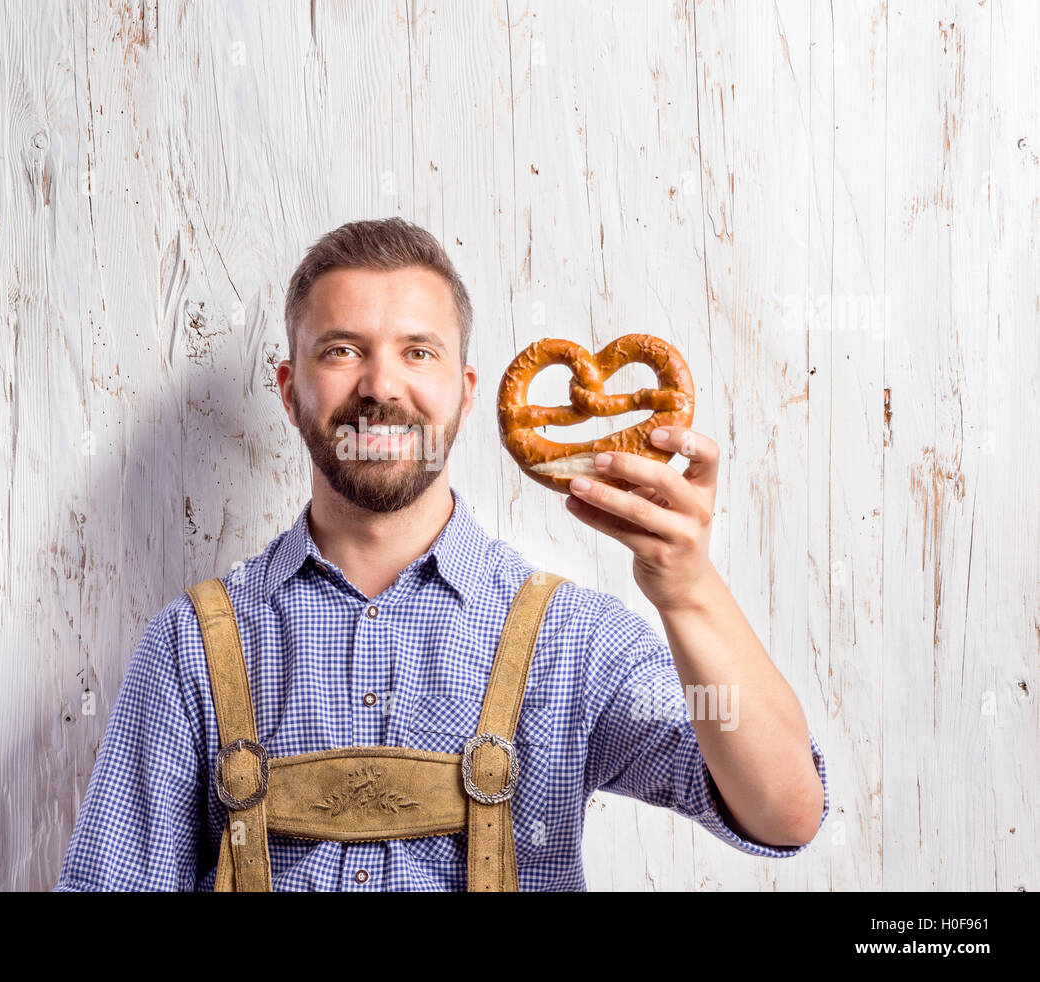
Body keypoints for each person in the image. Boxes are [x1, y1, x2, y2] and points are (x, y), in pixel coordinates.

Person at [53, 217, 829, 891]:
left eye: (418, 353)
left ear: (464, 391)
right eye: (342, 350)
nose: (381, 384)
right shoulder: (192, 647)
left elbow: (785, 811)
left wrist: (688, 590)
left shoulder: (571, 642)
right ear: (290, 392)